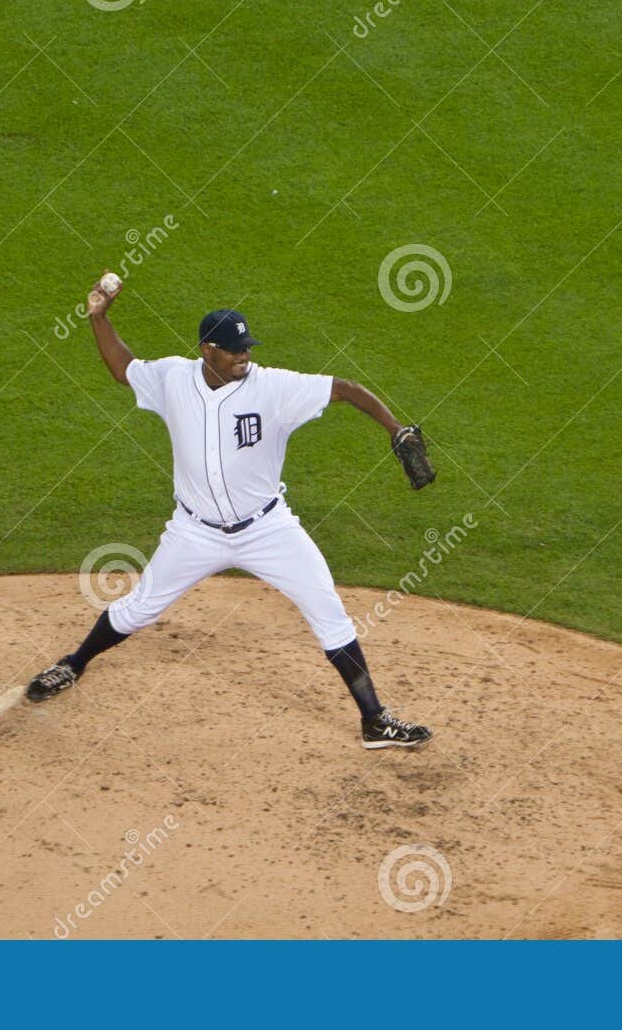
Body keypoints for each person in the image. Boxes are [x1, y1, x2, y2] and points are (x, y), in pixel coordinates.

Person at [25, 273, 433, 749]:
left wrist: (394, 427)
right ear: (207, 350)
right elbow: (124, 368)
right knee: (138, 608)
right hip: (194, 532)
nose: (244, 356)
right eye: (234, 350)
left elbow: (345, 388)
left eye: (247, 348)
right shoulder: (174, 378)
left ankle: (375, 721)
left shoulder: (273, 387)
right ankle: (73, 664)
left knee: (329, 611)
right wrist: (99, 317)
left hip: (268, 529)